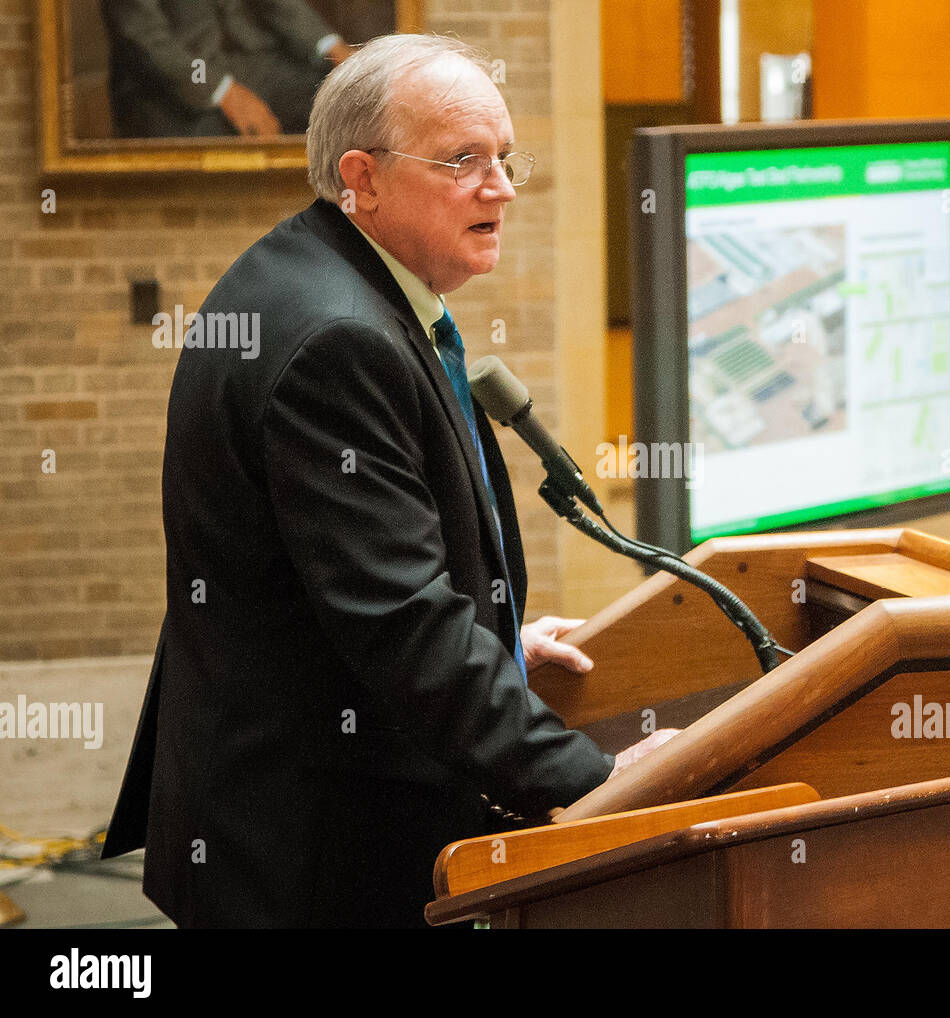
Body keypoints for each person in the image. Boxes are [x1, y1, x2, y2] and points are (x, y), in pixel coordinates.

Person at [101, 33, 674, 928]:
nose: (503, 188)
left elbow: (348, 576)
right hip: (311, 848)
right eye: (463, 161)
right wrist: (594, 779)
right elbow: (401, 621)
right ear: (360, 177)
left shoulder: (320, 275)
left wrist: (502, 639)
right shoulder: (339, 340)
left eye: (504, 157)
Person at [100, 0, 353, 137]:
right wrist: (225, 93)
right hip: (173, 87)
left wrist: (333, 48)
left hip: (250, 64)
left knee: (345, 102)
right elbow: (143, 38)